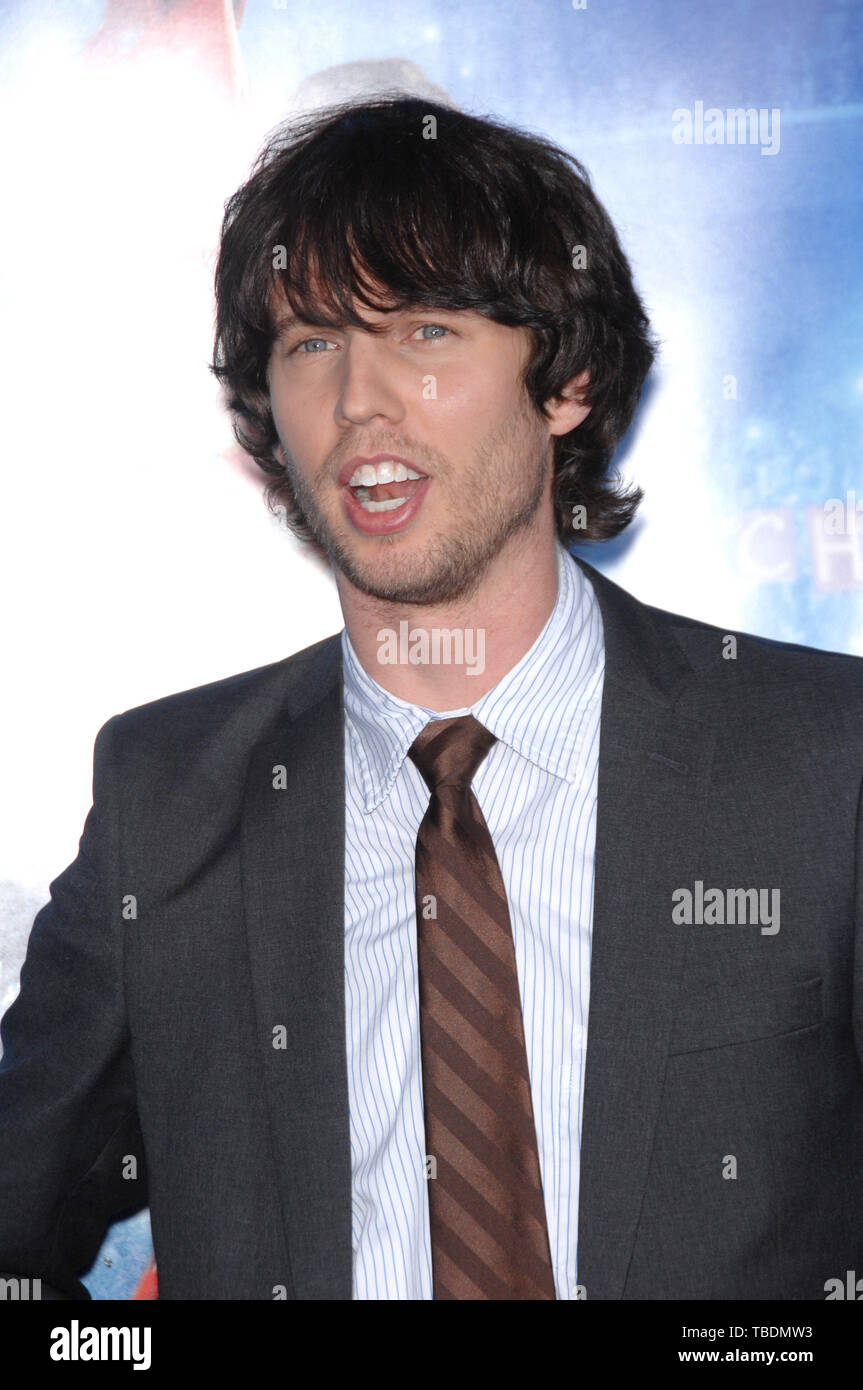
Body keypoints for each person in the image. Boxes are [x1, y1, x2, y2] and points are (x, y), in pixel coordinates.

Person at [1, 95, 861, 1302]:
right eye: (309, 344)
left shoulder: (826, 759)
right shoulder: (168, 796)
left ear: (563, 380)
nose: (359, 399)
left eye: (423, 333)